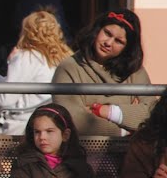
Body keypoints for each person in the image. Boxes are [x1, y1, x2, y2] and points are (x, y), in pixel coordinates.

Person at [50, 9, 156, 137]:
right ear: (97, 30)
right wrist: (124, 129)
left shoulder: (134, 70)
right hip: (82, 152)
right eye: (107, 33)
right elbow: (73, 118)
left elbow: (153, 112)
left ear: (127, 47)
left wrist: (109, 111)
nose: (108, 43)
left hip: (126, 152)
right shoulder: (69, 67)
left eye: (118, 41)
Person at [0, 10, 69, 136]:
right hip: (56, 124)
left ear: (27, 32)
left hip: (24, 125)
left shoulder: (27, 56)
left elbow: (6, 99)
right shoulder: (65, 56)